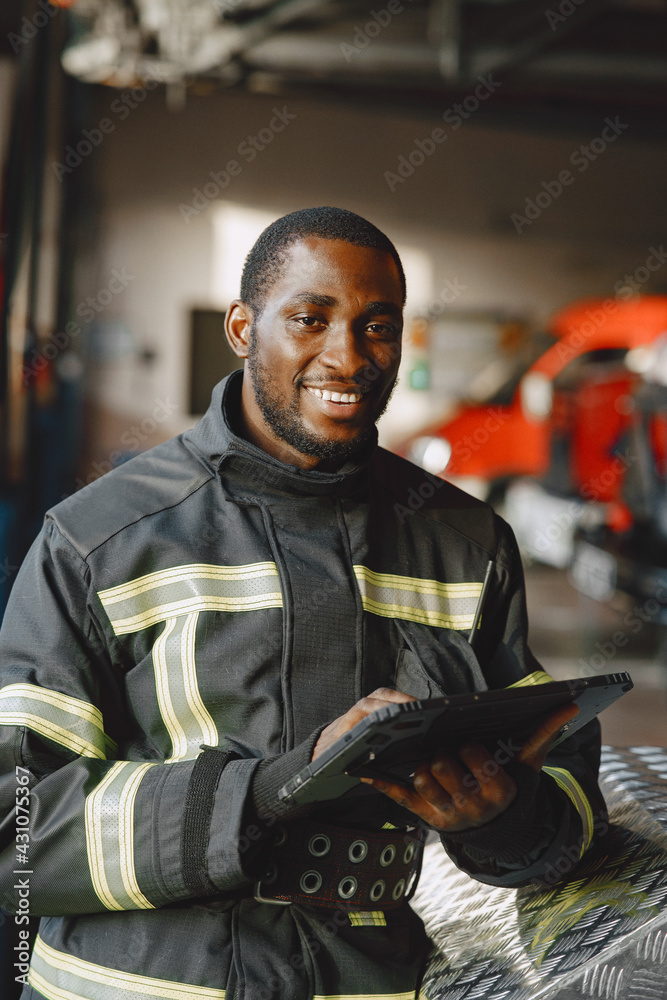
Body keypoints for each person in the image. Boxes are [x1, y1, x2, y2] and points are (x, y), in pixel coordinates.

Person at [0, 207, 605, 1000]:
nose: (346, 356)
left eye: (377, 327)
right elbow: (17, 832)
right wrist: (264, 794)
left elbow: (563, 788)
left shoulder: (465, 542)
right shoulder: (100, 539)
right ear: (243, 328)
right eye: (309, 319)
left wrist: (500, 816)